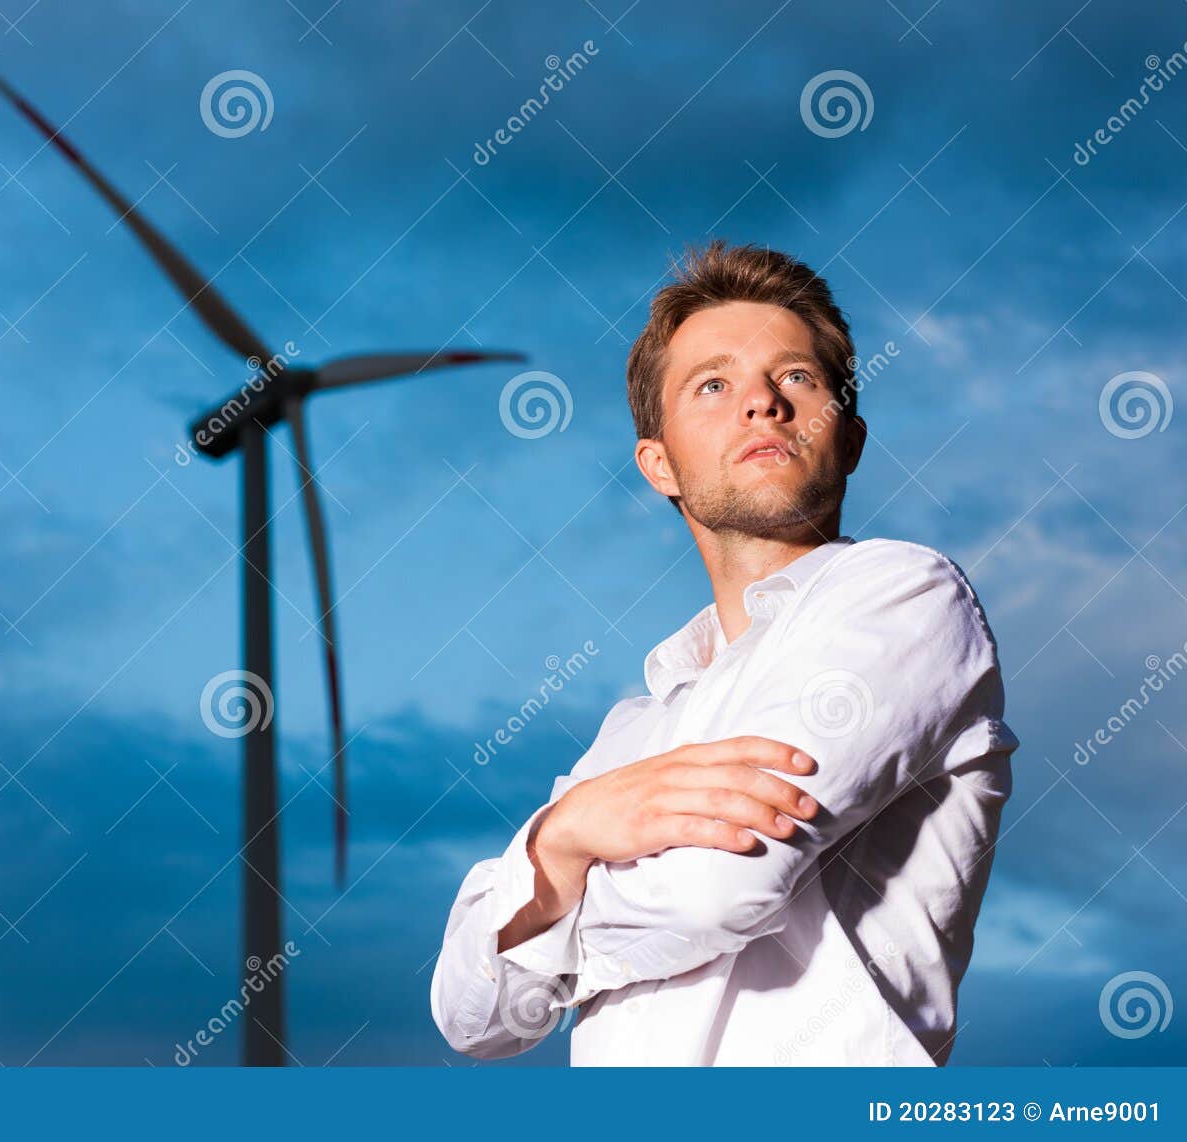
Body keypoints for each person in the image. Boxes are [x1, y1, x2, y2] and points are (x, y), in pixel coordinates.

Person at [430, 240, 1017, 1065]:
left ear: (845, 439)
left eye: (799, 379)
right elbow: (474, 1016)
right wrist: (560, 837)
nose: (763, 403)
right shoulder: (631, 733)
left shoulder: (908, 598)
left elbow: (720, 887)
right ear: (659, 464)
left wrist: (558, 901)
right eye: (714, 384)